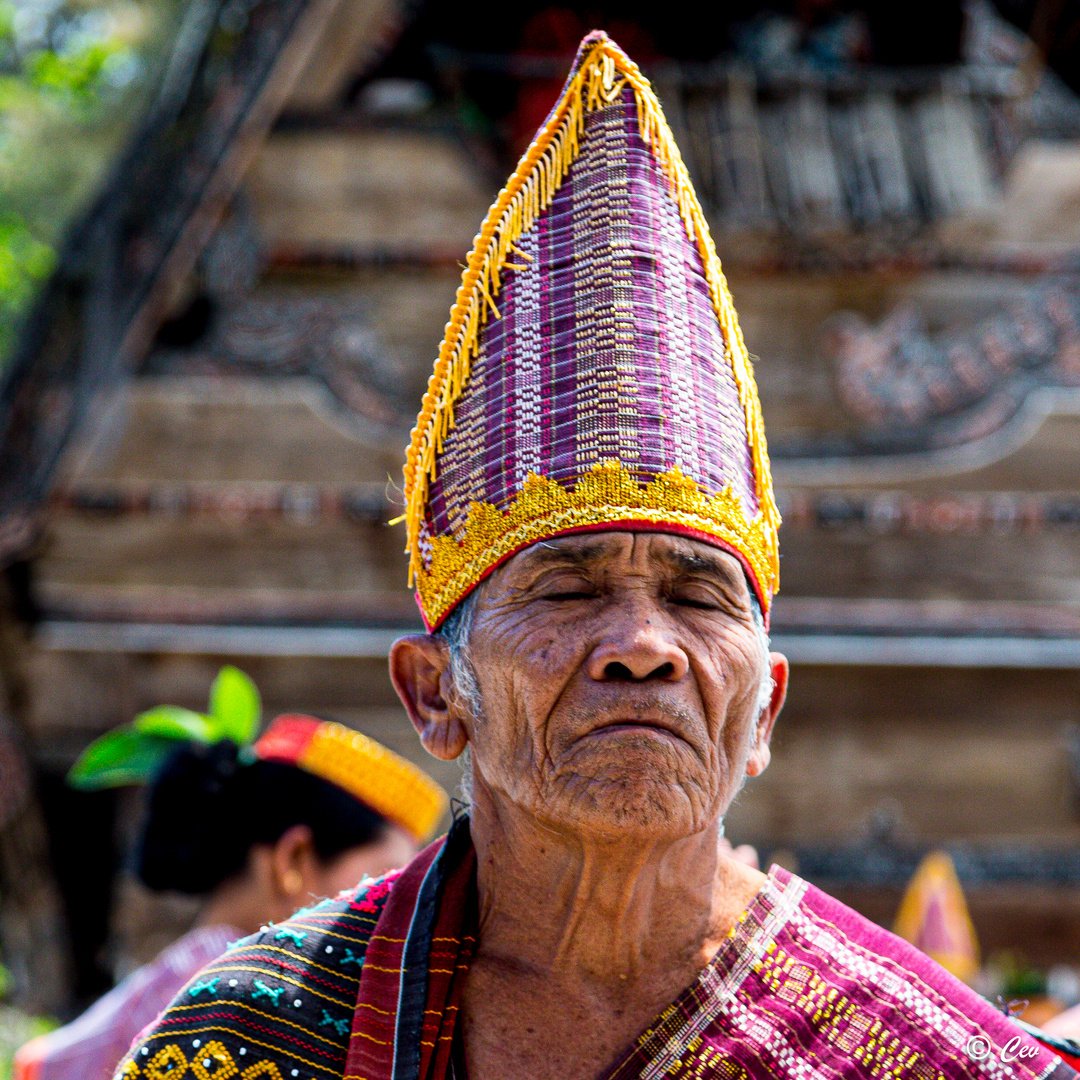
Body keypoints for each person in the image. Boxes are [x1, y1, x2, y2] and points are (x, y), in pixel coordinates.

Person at [114, 31, 1074, 1080]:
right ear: (436, 695)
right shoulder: (248, 1039)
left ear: (765, 712)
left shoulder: (928, 1063)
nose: (642, 646)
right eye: (564, 586)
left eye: (698, 595)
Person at [16, 713, 447, 1080]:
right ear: (293, 860)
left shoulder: (181, 973)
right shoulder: (251, 990)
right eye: (382, 880)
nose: (394, 904)